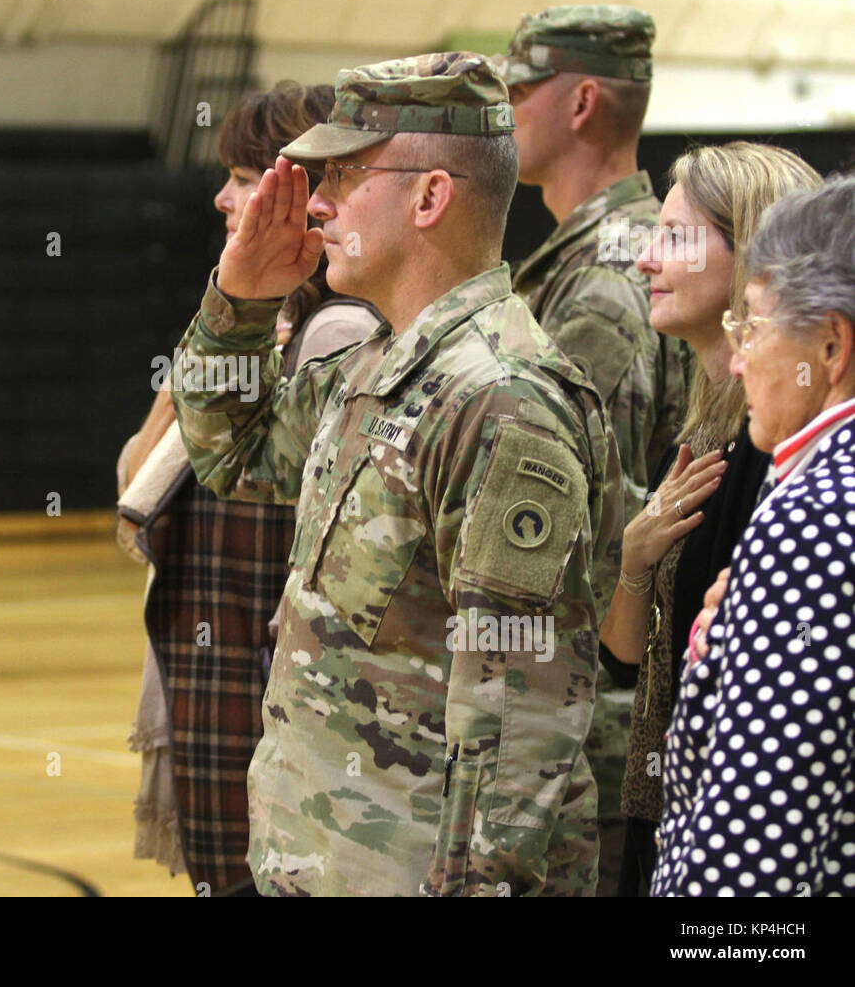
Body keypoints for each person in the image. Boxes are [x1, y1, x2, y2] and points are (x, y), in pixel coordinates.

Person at [170, 52, 625, 896]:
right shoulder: (380, 364)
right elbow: (228, 452)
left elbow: (520, 712)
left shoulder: (502, 399)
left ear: (430, 197)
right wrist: (240, 299)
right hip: (325, 858)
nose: (317, 202)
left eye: (346, 173)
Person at [116, 81, 382, 896]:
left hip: (266, 697)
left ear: (296, 194)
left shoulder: (336, 332)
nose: (222, 196)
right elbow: (136, 479)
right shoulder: (251, 327)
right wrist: (227, 309)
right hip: (220, 677)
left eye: (242, 175)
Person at [495, 4, 691, 894]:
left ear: (580, 104)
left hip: (585, 727)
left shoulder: (605, 285)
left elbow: (588, 539)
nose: (504, 111)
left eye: (520, 90)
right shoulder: (606, 257)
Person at [598, 142, 821, 895]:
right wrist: (632, 559)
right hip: (665, 819)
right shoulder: (693, 440)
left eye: (676, 236)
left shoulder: (790, 457)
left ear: (753, 253)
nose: (645, 261)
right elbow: (624, 659)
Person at [652, 176, 855, 896]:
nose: (738, 361)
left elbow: (750, 858)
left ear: (831, 347)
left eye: (754, 328)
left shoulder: (816, 515)